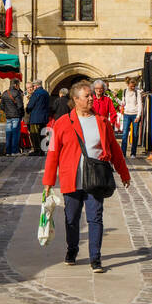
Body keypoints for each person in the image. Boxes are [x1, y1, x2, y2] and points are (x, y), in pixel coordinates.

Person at [43, 81, 131, 272]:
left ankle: (95, 258)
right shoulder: (62, 123)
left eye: (92, 95)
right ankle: (72, 249)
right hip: (71, 178)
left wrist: (124, 174)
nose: (92, 98)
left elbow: (115, 150)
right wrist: (48, 181)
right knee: (72, 219)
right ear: (75, 100)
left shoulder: (101, 121)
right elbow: (52, 153)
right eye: (87, 96)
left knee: (95, 218)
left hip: (96, 178)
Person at [24, 80, 52, 156]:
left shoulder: (36, 93)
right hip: (44, 117)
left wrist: (27, 109)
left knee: (35, 134)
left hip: (35, 117)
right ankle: (43, 150)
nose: (33, 88)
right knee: (42, 134)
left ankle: (37, 150)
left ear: (36, 86)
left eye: (33, 86)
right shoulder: (46, 93)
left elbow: (30, 105)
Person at [119, 78, 143, 157]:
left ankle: (133, 153)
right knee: (125, 134)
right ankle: (123, 153)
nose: (133, 88)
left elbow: (140, 104)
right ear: (128, 85)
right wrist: (116, 98)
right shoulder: (125, 91)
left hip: (135, 114)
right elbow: (123, 103)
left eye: (134, 86)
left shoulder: (137, 92)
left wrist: (138, 116)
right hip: (126, 114)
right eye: (131, 86)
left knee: (135, 134)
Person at [1, 81, 25, 155]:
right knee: (15, 133)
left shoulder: (4, 93)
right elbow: (20, 105)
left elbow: (2, 106)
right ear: (15, 85)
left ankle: (8, 152)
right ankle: (14, 151)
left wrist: (7, 111)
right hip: (16, 116)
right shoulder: (16, 93)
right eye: (18, 85)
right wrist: (20, 112)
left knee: (8, 133)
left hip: (8, 116)